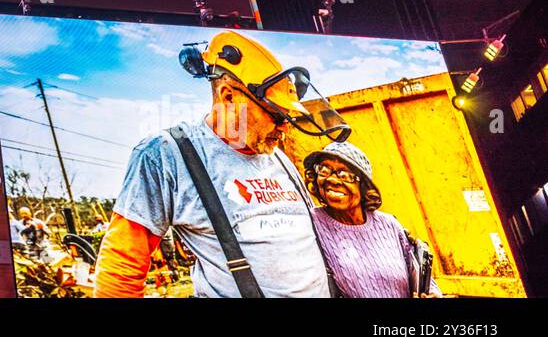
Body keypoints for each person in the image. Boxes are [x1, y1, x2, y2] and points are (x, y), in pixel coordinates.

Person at [93, 31, 351, 298]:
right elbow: (120, 269)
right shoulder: (168, 155)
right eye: (276, 115)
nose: (285, 128)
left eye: (288, 117)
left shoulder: (278, 158)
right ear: (228, 96)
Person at [304, 142, 441, 298]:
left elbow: (418, 270)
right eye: (325, 170)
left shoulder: (388, 224)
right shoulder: (310, 223)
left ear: (364, 186)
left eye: (345, 174)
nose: (333, 180)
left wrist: (432, 293)